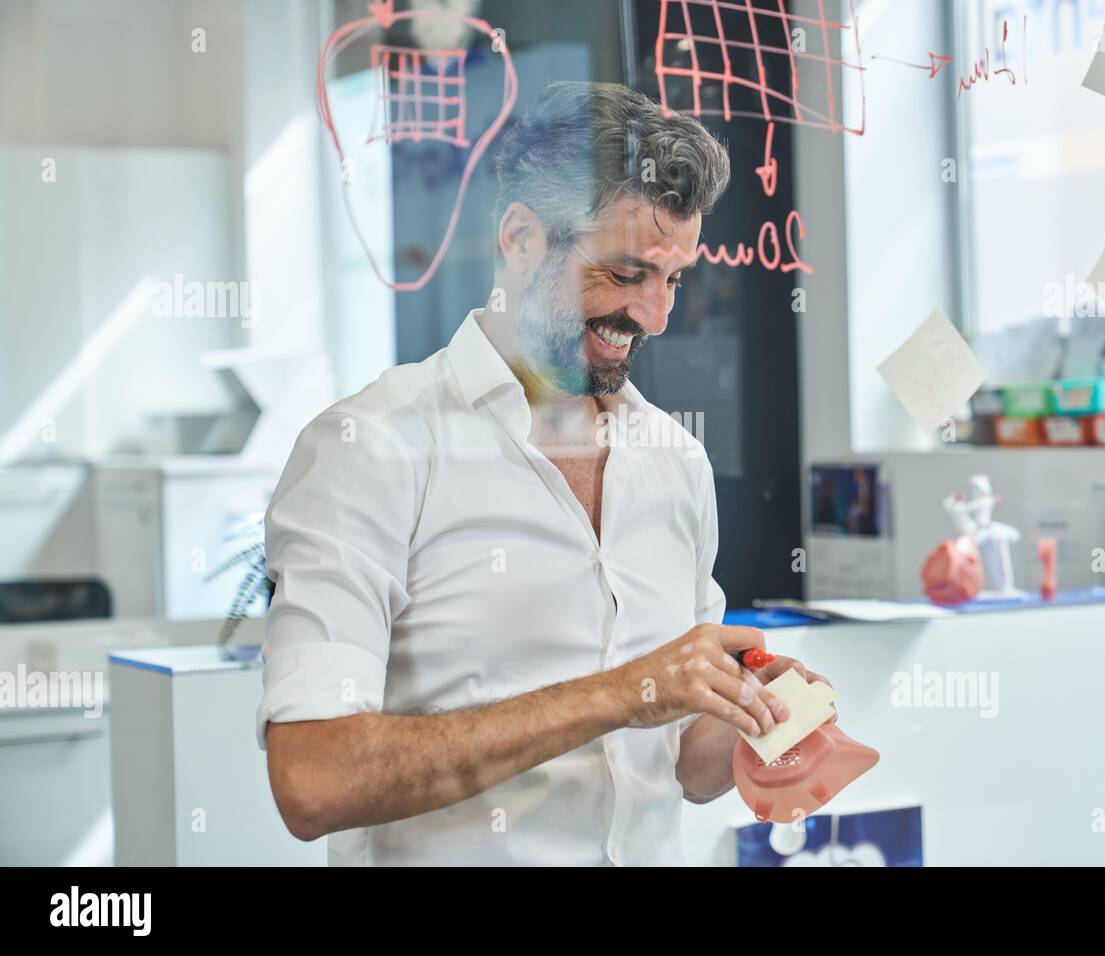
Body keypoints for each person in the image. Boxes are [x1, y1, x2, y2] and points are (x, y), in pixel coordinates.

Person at [257, 82, 830, 866]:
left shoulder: (676, 460)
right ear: (523, 239)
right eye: (627, 275)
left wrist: (752, 722)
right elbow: (313, 779)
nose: (657, 316)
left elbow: (682, 765)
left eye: (675, 279)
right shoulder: (370, 447)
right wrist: (627, 692)